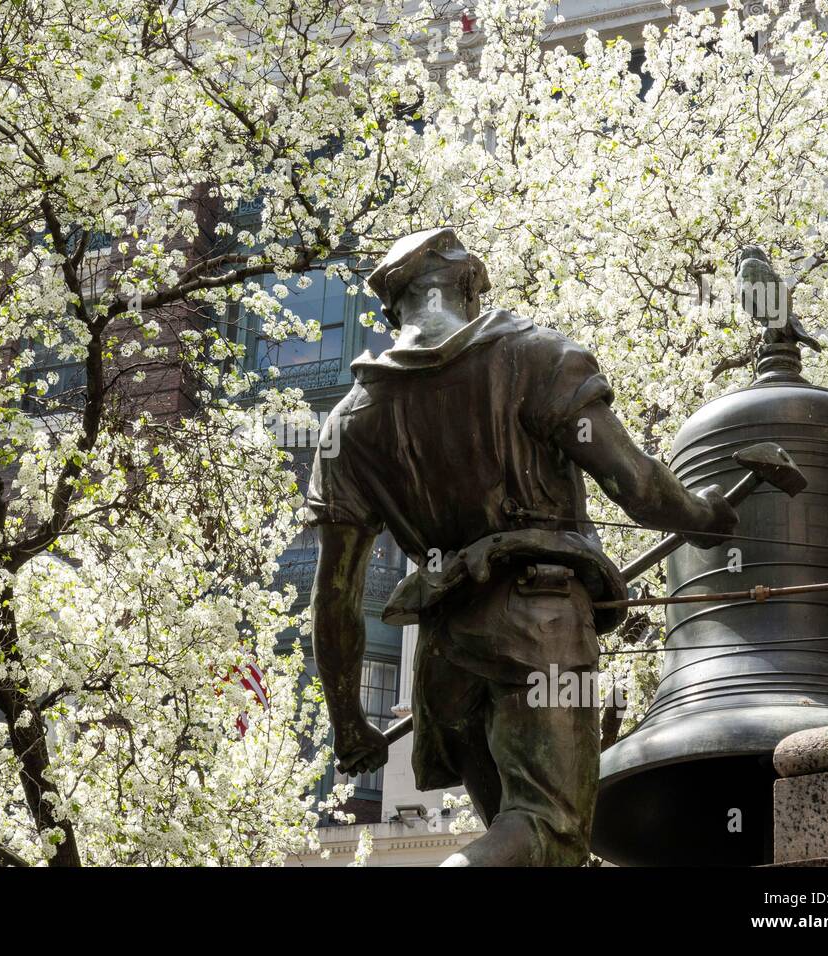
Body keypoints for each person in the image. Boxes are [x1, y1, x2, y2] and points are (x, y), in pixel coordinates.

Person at [306, 227, 738, 865]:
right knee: (547, 830)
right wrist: (709, 515)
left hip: (446, 655)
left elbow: (335, 594)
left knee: (524, 854)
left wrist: (347, 719)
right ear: (465, 282)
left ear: (395, 306)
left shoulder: (349, 422)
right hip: (537, 623)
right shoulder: (535, 357)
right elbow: (639, 486)